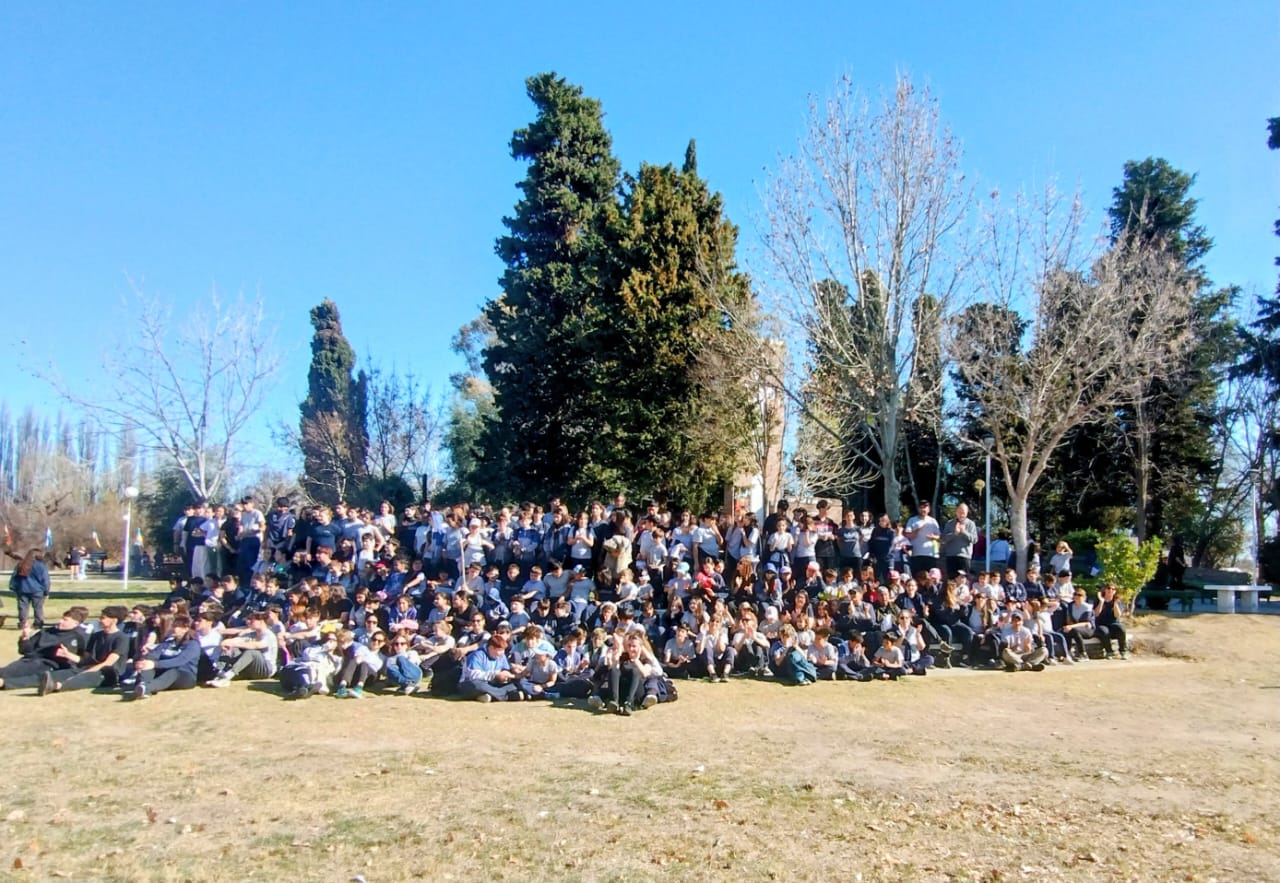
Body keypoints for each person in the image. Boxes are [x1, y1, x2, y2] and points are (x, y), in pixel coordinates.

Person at [39, 606, 132, 695]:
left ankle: (57, 686)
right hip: (90, 668)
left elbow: (108, 663)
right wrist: (67, 655)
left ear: (114, 620)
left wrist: (86, 672)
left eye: (103, 618)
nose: (100, 620)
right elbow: (85, 660)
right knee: (63, 673)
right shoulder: (96, 636)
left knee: (86, 677)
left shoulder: (121, 638)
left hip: (109, 673)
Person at [0, 609, 88, 690]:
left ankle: (4, 683)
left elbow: (82, 659)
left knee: (10, 674)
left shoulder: (78, 638)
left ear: (75, 624)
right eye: (62, 618)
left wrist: (68, 655)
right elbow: (24, 651)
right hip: (29, 661)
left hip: (49, 665)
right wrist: (24, 638)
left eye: (65, 620)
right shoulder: (45, 632)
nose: (60, 621)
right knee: (7, 671)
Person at [130, 614, 201, 699]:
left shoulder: (193, 644)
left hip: (185, 676)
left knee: (173, 672)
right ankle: (142, 686)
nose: (173, 629)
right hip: (165, 673)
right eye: (173, 626)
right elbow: (154, 654)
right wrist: (145, 662)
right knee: (148, 665)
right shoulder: (169, 642)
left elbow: (179, 661)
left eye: (177, 627)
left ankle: (147, 687)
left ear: (185, 629)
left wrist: (155, 664)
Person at [207, 612, 279, 687]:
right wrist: (226, 642)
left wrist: (234, 643)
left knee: (252, 653)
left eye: (251, 620)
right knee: (232, 649)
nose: (248, 622)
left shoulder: (269, 635)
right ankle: (219, 672)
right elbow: (236, 640)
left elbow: (257, 645)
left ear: (261, 621)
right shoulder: (252, 633)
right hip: (250, 669)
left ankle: (227, 676)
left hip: (266, 669)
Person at [458, 634, 520, 703]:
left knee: (513, 686)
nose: (502, 653)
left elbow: (505, 669)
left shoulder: (502, 656)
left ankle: (486, 696)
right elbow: (473, 676)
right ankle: (506, 695)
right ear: (491, 647)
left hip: (491, 684)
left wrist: (505, 676)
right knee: (477, 685)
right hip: (470, 683)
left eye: (503, 650)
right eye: (499, 650)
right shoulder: (477, 655)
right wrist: (495, 675)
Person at [9, 548, 51, 627]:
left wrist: (13, 587)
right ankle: (38, 623)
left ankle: (23, 623)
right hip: (37, 590)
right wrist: (46, 591)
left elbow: (14, 577)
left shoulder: (21, 564)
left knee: (23, 608)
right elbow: (45, 579)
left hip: (22, 589)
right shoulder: (41, 566)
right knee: (38, 608)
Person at [940, 503, 978, 579]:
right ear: (956, 512)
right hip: (951, 556)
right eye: (959, 512)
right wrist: (954, 534)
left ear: (967, 513)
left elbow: (974, 539)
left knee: (963, 579)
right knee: (951, 580)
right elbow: (943, 539)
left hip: (964, 556)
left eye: (963, 513)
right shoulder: (949, 523)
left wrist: (964, 532)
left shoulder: (971, 524)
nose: (961, 515)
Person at [904, 502, 941, 577]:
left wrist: (933, 537)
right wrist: (918, 530)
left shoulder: (933, 521)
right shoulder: (912, 520)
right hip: (916, 554)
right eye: (921, 507)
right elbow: (908, 535)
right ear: (918, 509)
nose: (923, 509)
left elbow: (939, 536)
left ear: (929, 509)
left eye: (925, 507)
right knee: (917, 577)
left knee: (930, 577)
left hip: (930, 554)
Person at [1093, 584, 1128, 659]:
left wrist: (1115, 603)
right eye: (1109, 588)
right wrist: (1101, 602)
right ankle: (1109, 652)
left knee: (1121, 628)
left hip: (1113, 623)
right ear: (1105, 589)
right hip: (1101, 623)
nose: (1110, 590)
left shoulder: (1117, 602)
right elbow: (1096, 614)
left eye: (1113, 589)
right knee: (1104, 631)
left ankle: (1123, 651)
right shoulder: (1098, 600)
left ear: (1115, 591)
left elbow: (1117, 615)